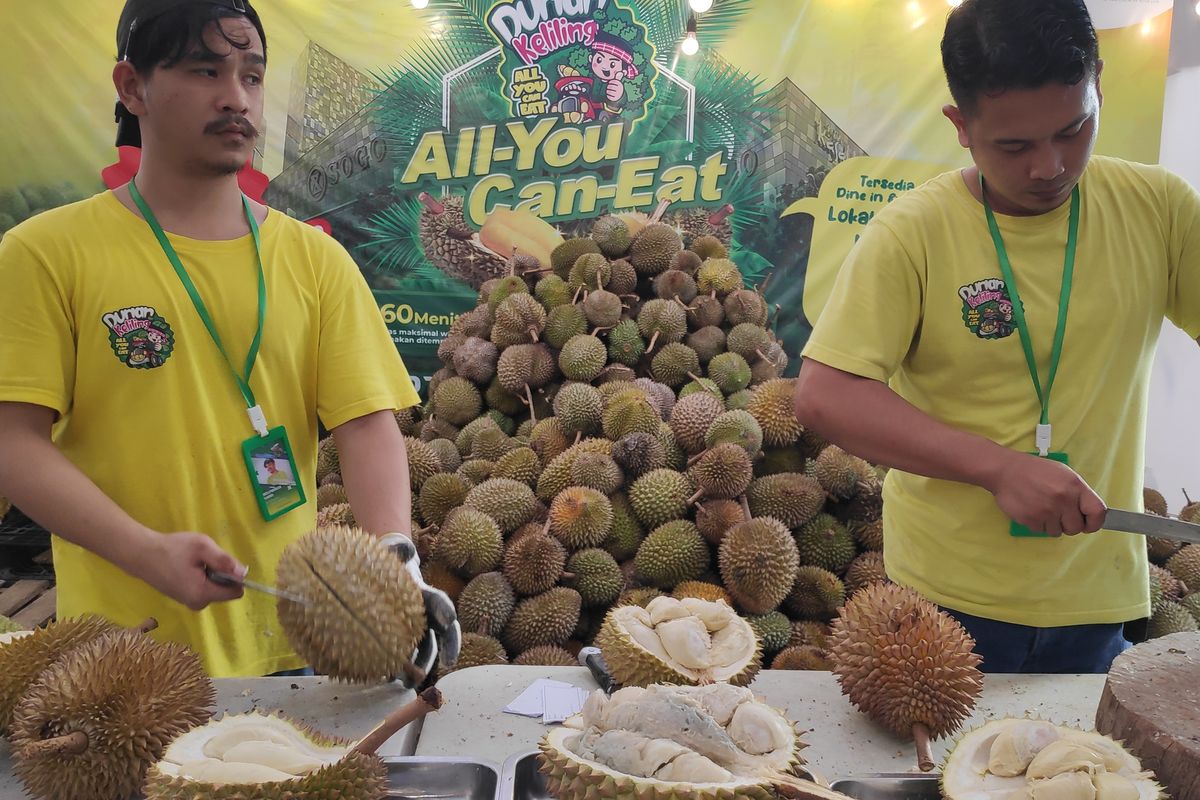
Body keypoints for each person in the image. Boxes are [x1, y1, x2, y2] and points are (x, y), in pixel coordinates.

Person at [0, 0, 459, 680]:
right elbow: (12, 440)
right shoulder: (45, 253)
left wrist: (396, 553)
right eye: (205, 70)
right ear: (133, 88)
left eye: (251, 75)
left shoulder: (315, 260)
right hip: (123, 651)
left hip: (300, 646)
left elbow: (365, 424)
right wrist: (145, 551)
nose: (235, 98)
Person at [793, 0, 1199, 673]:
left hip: (1097, 599)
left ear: (1098, 81)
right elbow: (826, 395)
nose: (1050, 166)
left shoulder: (1160, 211)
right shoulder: (911, 233)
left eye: (1074, 130)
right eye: (1015, 146)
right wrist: (998, 467)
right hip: (942, 600)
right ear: (961, 125)